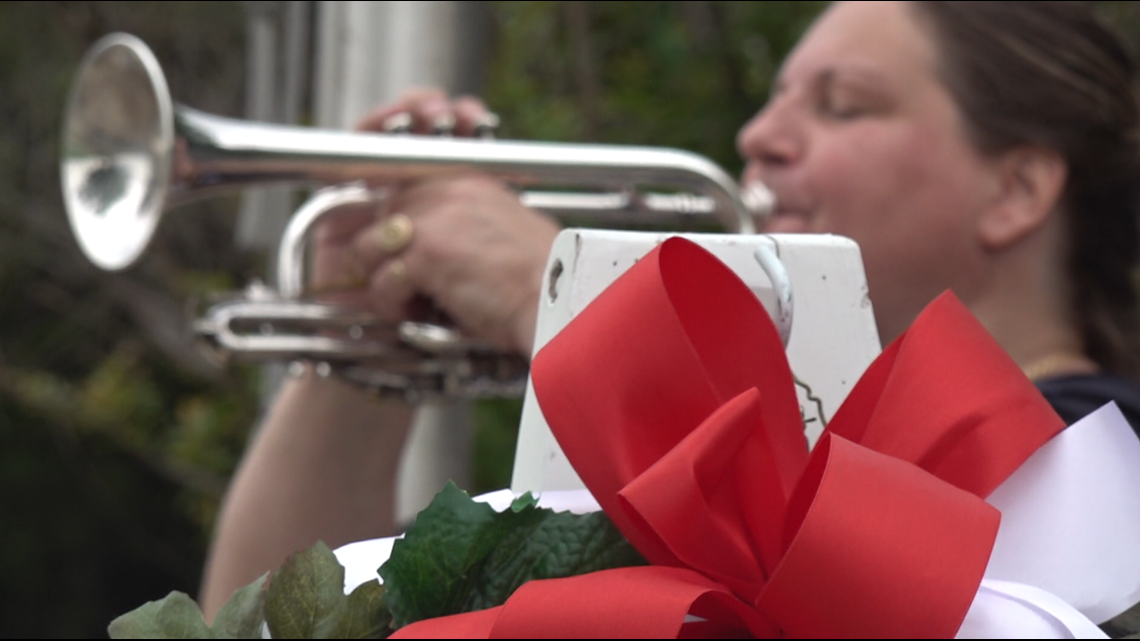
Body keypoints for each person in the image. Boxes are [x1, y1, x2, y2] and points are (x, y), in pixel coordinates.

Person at [198, 0, 1140, 624]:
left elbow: (829, 575)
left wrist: (559, 292)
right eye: (773, 100)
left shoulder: (1110, 456)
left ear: (1015, 190)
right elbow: (255, 615)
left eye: (842, 106)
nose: (758, 139)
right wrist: (365, 347)